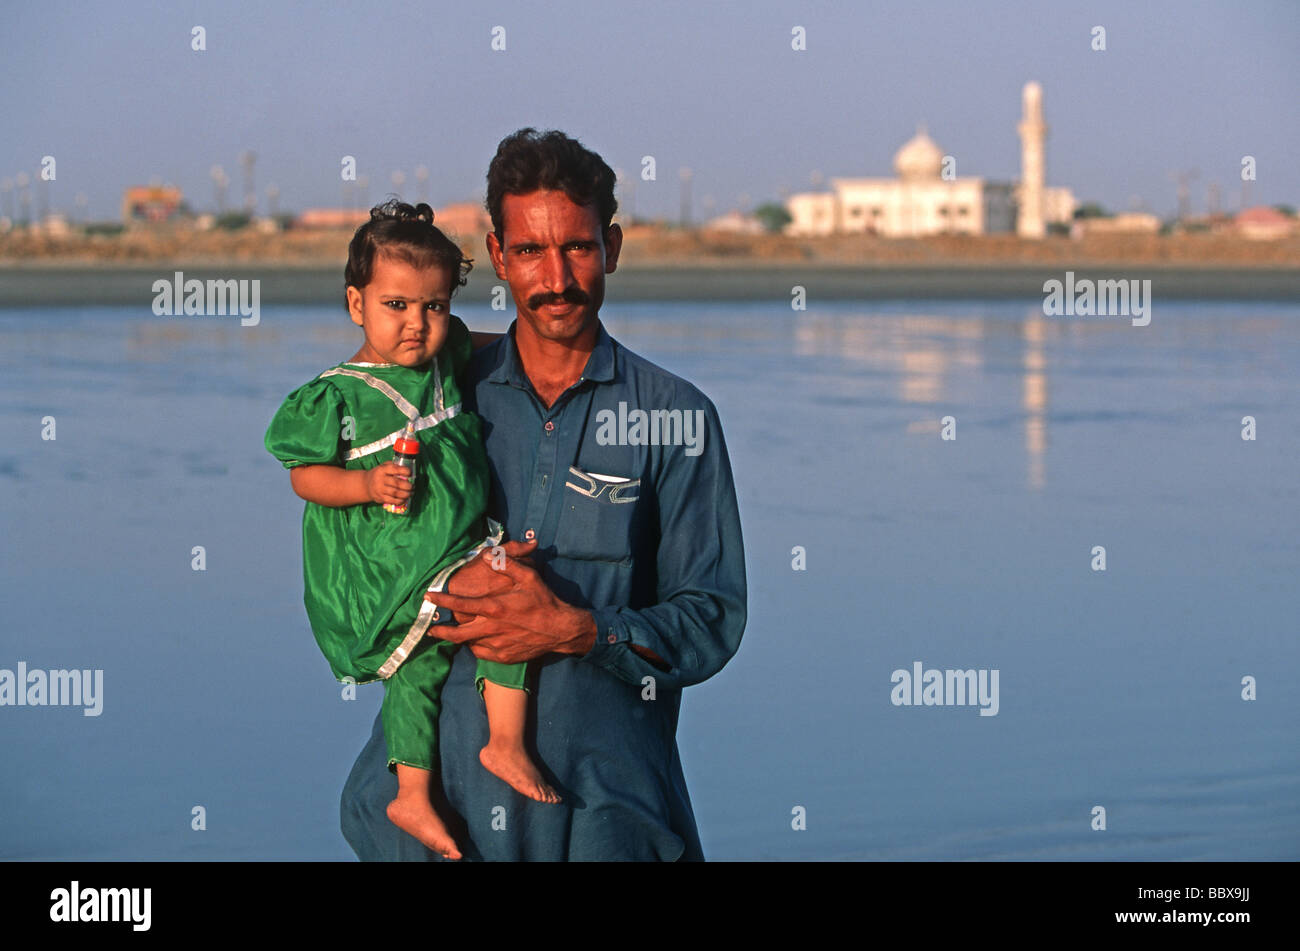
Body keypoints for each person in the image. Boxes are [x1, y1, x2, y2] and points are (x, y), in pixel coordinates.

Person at [340, 129, 747, 861]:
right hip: (434, 822)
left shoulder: (675, 417)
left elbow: (712, 619)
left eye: (578, 249)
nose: (555, 277)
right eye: (529, 251)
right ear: (498, 256)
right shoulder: (436, 396)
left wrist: (578, 630)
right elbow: (344, 534)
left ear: (612, 248)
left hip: (605, 817)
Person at [265, 200, 559, 861]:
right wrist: (365, 484)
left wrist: (534, 349)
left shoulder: (442, 359)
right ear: (355, 303)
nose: (416, 324)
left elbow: (499, 346)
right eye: (396, 305)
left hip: (446, 544)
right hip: (392, 557)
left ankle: (412, 793)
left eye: (434, 306)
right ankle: (505, 742)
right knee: (503, 590)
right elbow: (304, 477)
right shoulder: (340, 396)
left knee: (421, 667)